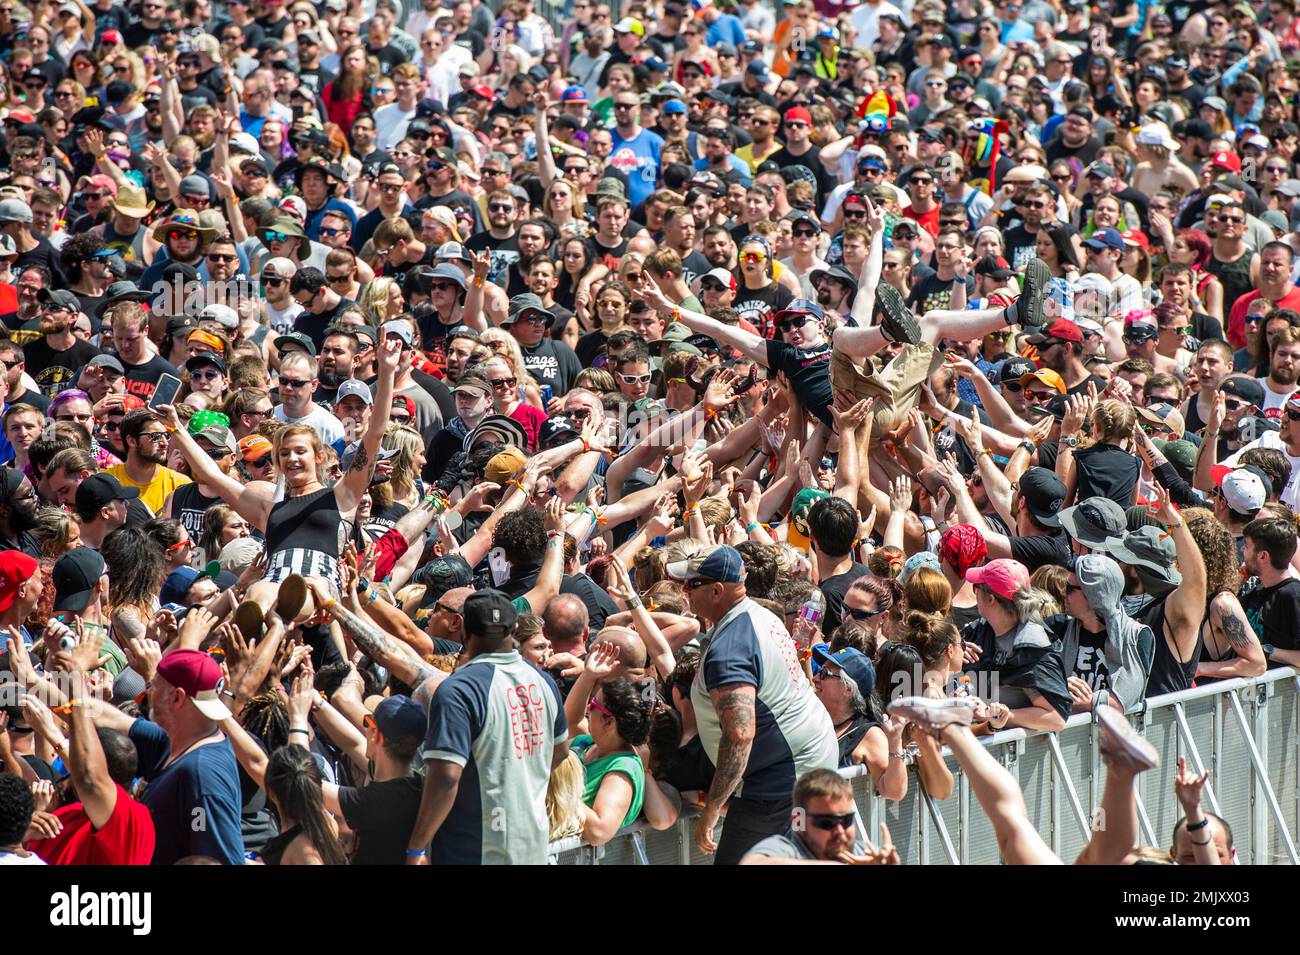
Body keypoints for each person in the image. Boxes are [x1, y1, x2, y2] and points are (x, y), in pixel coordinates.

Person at [666, 544, 836, 864]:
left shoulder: (730, 649)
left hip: (782, 779)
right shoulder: (756, 614)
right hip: (803, 763)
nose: (683, 591)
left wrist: (713, 807)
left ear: (717, 590)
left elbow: (740, 735)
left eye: (691, 584)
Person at [407, 589, 568, 864]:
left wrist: (416, 847)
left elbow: (446, 778)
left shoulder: (459, 689)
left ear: (464, 631)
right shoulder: (543, 681)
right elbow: (561, 751)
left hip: (474, 850)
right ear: (515, 629)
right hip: (533, 846)